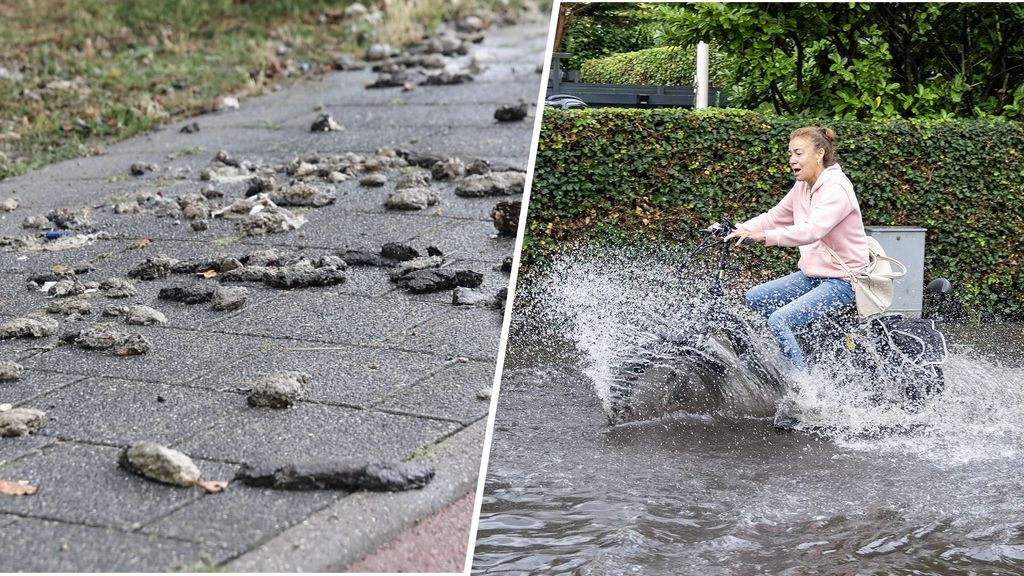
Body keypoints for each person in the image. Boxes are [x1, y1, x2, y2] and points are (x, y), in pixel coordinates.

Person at [722, 127, 869, 371]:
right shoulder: (803, 186)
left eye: (798, 153)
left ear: (819, 153)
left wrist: (763, 237)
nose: (792, 160)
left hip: (844, 281)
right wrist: (734, 229)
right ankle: (807, 350)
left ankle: (802, 386)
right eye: (790, 154)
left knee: (779, 320)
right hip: (813, 276)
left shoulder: (836, 189)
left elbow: (811, 230)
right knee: (756, 298)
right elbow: (774, 217)